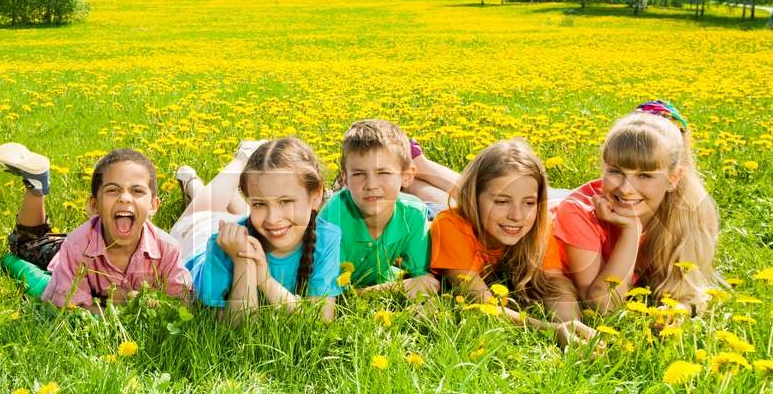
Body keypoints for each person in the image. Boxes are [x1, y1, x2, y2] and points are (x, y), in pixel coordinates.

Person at [553, 100, 720, 314]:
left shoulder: (690, 212)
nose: (626, 188)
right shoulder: (579, 212)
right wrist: (631, 231)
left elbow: (689, 293)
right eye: (615, 172)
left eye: (644, 175)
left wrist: (678, 311)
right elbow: (602, 307)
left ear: (674, 178)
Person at [429, 138, 594, 346]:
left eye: (529, 203)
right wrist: (551, 330)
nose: (517, 216)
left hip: (551, 204)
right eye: (502, 201)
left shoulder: (539, 227)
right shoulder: (450, 227)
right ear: (473, 197)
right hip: (430, 212)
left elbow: (554, 285)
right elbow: (480, 302)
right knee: (425, 196)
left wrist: (572, 324)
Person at [0, 142, 190, 309]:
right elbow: (68, 308)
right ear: (94, 205)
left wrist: (135, 300)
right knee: (27, 244)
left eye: (137, 191)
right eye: (113, 190)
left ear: (153, 205)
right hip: (72, 247)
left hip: (95, 234)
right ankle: (37, 186)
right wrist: (118, 304)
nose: (125, 198)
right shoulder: (76, 246)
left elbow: (182, 302)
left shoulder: (168, 249)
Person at [173, 137, 342, 321]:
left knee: (251, 215)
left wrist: (265, 280)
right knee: (206, 207)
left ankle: (207, 187)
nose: (273, 218)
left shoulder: (326, 237)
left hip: (248, 226)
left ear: (316, 196)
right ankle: (201, 177)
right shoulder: (219, 245)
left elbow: (322, 320)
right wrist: (242, 261)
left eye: (286, 201)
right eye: (259, 203)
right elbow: (238, 328)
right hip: (196, 235)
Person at [319, 119, 438, 297]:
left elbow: (423, 278)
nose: (371, 185)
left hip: (433, 211)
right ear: (345, 178)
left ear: (406, 176)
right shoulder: (332, 217)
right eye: (359, 174)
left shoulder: (415, 213)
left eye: (383, 173)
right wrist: (396, 289)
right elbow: (331, 296)